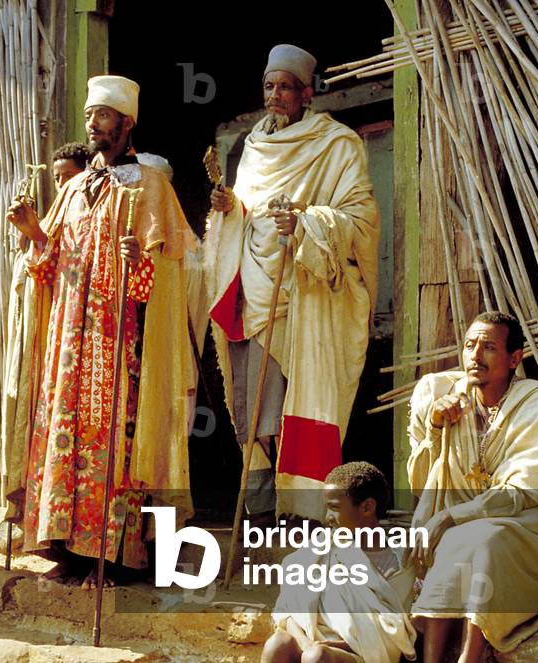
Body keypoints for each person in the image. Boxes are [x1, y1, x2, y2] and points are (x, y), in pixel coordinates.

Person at [6, 75, 195, 587]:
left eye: (104, 117)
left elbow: (172, 277)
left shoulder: (151, 187)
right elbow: (49, 265)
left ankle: (112, 556)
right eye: (90, 116)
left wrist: (141, 264)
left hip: (120, 344)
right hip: (68, 342)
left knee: (114, 442)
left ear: (127, 123)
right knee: (64, 437)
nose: (93, 125)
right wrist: (33, 235)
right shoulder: (70, 189)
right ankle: (66, 546)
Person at [204, 44, 380, 523]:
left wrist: (306, 226)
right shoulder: (253, 147)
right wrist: (230, 211)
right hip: (250, 296)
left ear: (306, 93)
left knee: (294, 411)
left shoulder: (337, 145)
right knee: (254, 414)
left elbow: (360, 220)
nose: (275, 95)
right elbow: (250, 212)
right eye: (268, 86)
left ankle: (298, 514)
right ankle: (261, 511)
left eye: (285, 87)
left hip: (302, 299)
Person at [407, 311, 538, 662]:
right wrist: (437, 429)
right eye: (469, 345)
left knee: (482, 538)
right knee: (462, 537)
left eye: (488, 347)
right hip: (466, 523)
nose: (474, 356)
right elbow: (419, 483)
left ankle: (470, 656)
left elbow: (526, 492)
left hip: (537, 527)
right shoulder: (446, 398)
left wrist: (450, 517)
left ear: (514, 358)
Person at [1, 142, 93, 525]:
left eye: (68, 177)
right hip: (49, 340)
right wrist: (34, 234)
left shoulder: (90, 213)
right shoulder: (57, 214)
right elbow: (41, 269)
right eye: (57, 179)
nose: (62, 185)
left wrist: (39, 235)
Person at [265, 461, 417, 663]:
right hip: (310, 643)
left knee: (317, 658)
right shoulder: (318, 550)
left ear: (367, 507)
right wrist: (306, 643)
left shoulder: (400, 565)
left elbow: (389, 634)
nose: (327, 517)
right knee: (278, 644)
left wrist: (324, 647)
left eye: (334, 508)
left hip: (358, 653)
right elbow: (287, 611)